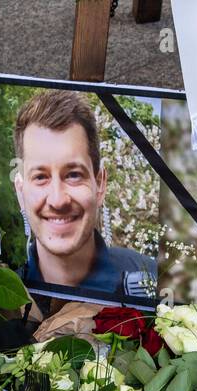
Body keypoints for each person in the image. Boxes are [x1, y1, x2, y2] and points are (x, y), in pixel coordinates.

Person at [12, 89, 156, 297]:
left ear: (100, 184)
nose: (58, 200)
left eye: (73, 175)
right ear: (20, 192)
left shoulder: (153, 279)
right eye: (40, 177)